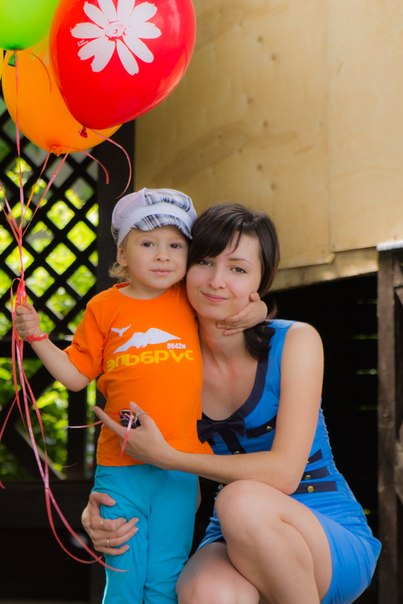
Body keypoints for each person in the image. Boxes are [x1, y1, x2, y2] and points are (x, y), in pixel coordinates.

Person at [83, 202, 382, 604]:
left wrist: (171, 457)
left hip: (325, 529)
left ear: (261, 279)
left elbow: (283, 474)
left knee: (239, 499)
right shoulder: (166, 359)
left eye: (238, 269)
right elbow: (140, 457)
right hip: (232, 530)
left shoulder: (295, 341)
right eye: (205, 262)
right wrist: (104, 508)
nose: (216, 281)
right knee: (207, 591)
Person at [14, 189, 267, 604]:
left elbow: (235, 313)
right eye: (148, 244)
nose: (163, 256)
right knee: (124, 575)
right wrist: (38, 336)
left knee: (166, 576)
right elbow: (75, 377)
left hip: (179, 464)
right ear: (122, 253)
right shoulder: (104, 307)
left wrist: (258, 311)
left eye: (175, 246)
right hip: (121, 465)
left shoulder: (191, 299)